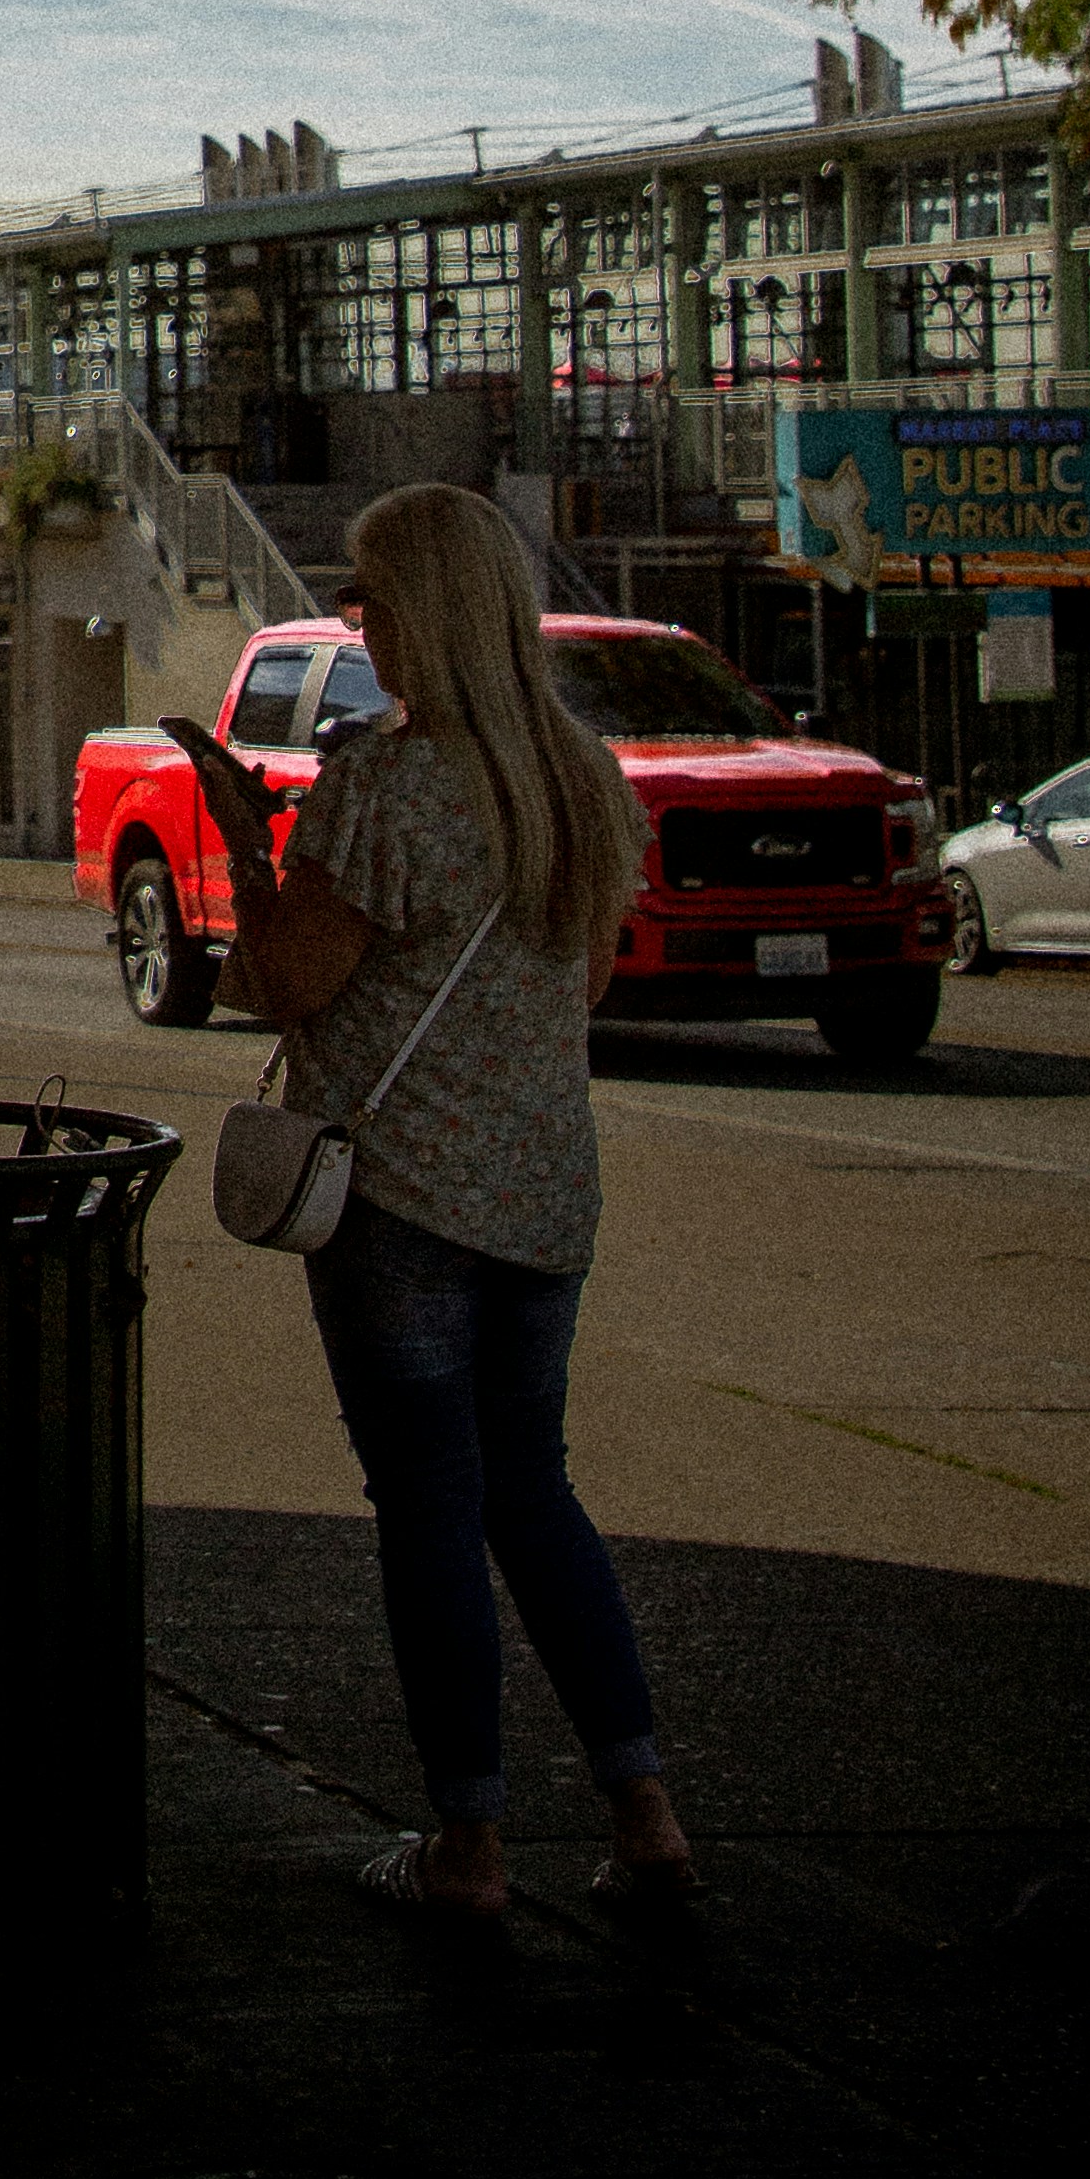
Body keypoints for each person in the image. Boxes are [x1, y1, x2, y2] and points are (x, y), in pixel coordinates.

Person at [179, 474, 696, 1923]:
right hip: (544, 1202)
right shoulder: (581, 779)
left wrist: (240, 827)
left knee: (428, 1511)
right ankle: (643, 1807)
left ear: (432, 614)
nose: (358, 621)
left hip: (398, 1201)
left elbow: (289, 977)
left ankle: (467, 1846)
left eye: (373, 596)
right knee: (535, 1495)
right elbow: (580, 983)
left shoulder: (389, 784)